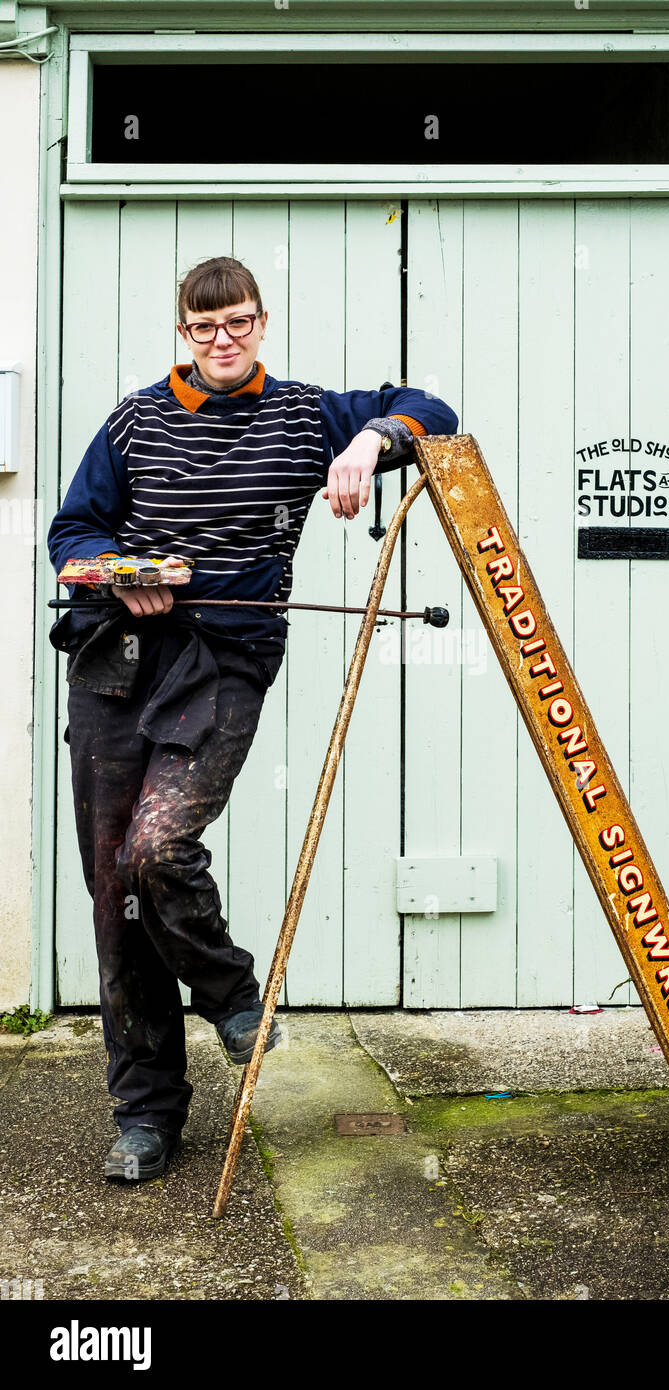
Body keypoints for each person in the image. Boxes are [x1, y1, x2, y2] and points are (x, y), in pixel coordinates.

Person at [46, 255, 459, 1182]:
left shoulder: (306, 413)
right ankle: (147, 1115)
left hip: (226, 666)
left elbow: (435, 409)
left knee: (158, 849)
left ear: (261, 324)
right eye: (204, 328)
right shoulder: (137, 419)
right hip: (115, 665)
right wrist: (121, 573)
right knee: (116, 897)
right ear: (182, 333)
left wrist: (370, 443)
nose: (222, 341)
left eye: (238, 324)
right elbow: (72, 532)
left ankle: (234, 992)